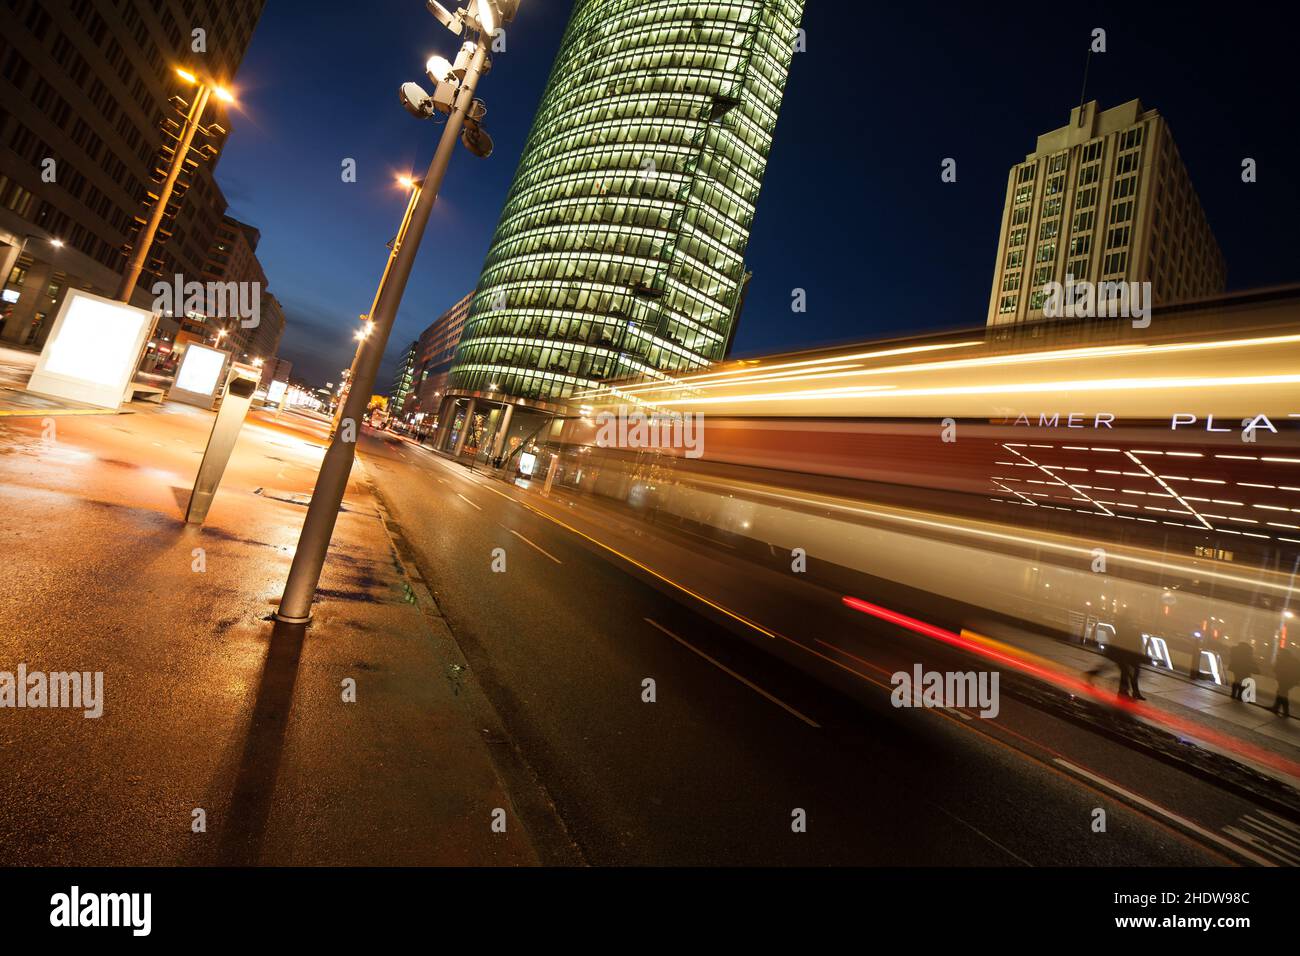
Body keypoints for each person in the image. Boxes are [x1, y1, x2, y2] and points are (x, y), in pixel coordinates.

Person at [1109, 610, 1147, 700]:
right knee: (1128, 672)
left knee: (1131, 671)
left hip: (1130, 652)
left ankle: (1130, 692)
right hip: (1125, 652)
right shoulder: (1125, 625)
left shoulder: (1129, 624)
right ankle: (1126, 692)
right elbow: (1124, 637)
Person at [1272, 647, 1299, 718]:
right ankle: (1278, 708)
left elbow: (1275, 669)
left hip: (1285, 680)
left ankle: (1282, 710)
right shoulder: (1293, 660)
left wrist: (1278, 660)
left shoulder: (1284, 660)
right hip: (1289, 681)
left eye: (1280, 653)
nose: (1278, 654)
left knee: (1282, 693)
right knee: (1281, 693)